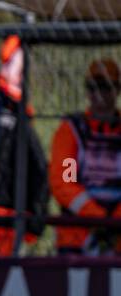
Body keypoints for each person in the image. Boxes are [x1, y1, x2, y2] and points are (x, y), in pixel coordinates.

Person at [0, 35, 47, 256]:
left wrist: (36, 215)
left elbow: (42, 169)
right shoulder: (3, 115)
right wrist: (37, 215)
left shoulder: (9, 115)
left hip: (3, 217)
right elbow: (44, 169)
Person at [49, 58, 121, 254]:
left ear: (117, 90)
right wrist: (97, 218)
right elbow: (65, 181)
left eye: (105, 87)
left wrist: (115, 220)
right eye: (92, 87)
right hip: (76, 240)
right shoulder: (72, 131)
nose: (98, 94)